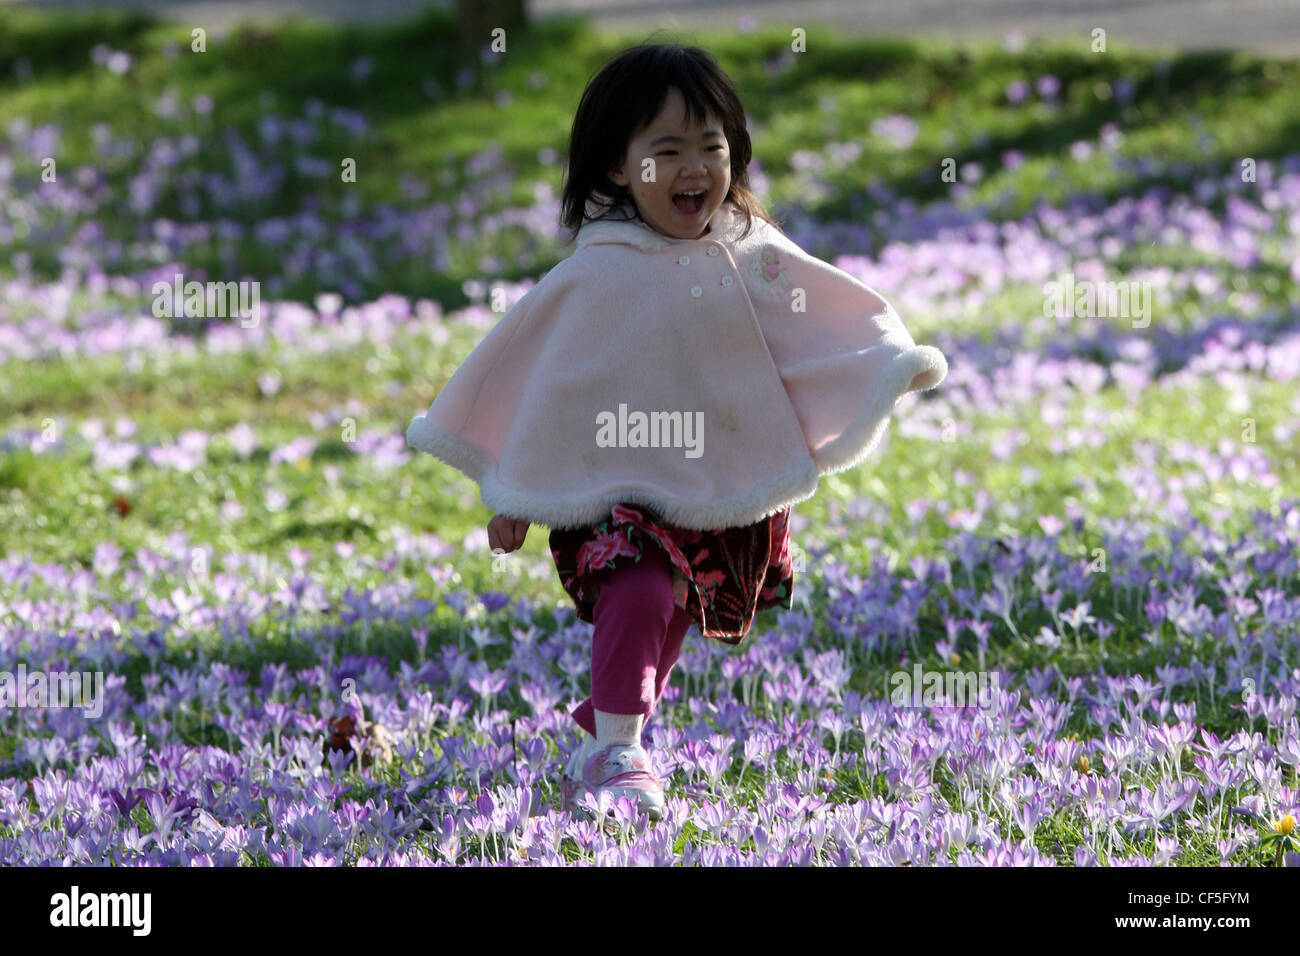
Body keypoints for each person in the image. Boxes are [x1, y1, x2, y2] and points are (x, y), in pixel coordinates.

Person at [407, 42, 948, 823]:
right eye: (667, 151)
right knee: (639, 584)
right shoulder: (598, 275)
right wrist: (519, 487)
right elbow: (544, 380)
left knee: (677, 608)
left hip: (718, 482)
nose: (695, 169)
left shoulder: (749, 254)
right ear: (619, 169)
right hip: (608, 490)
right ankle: (618, 751)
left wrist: (892, 361)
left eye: (712, 147)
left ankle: (607, 728)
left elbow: (822, 314)